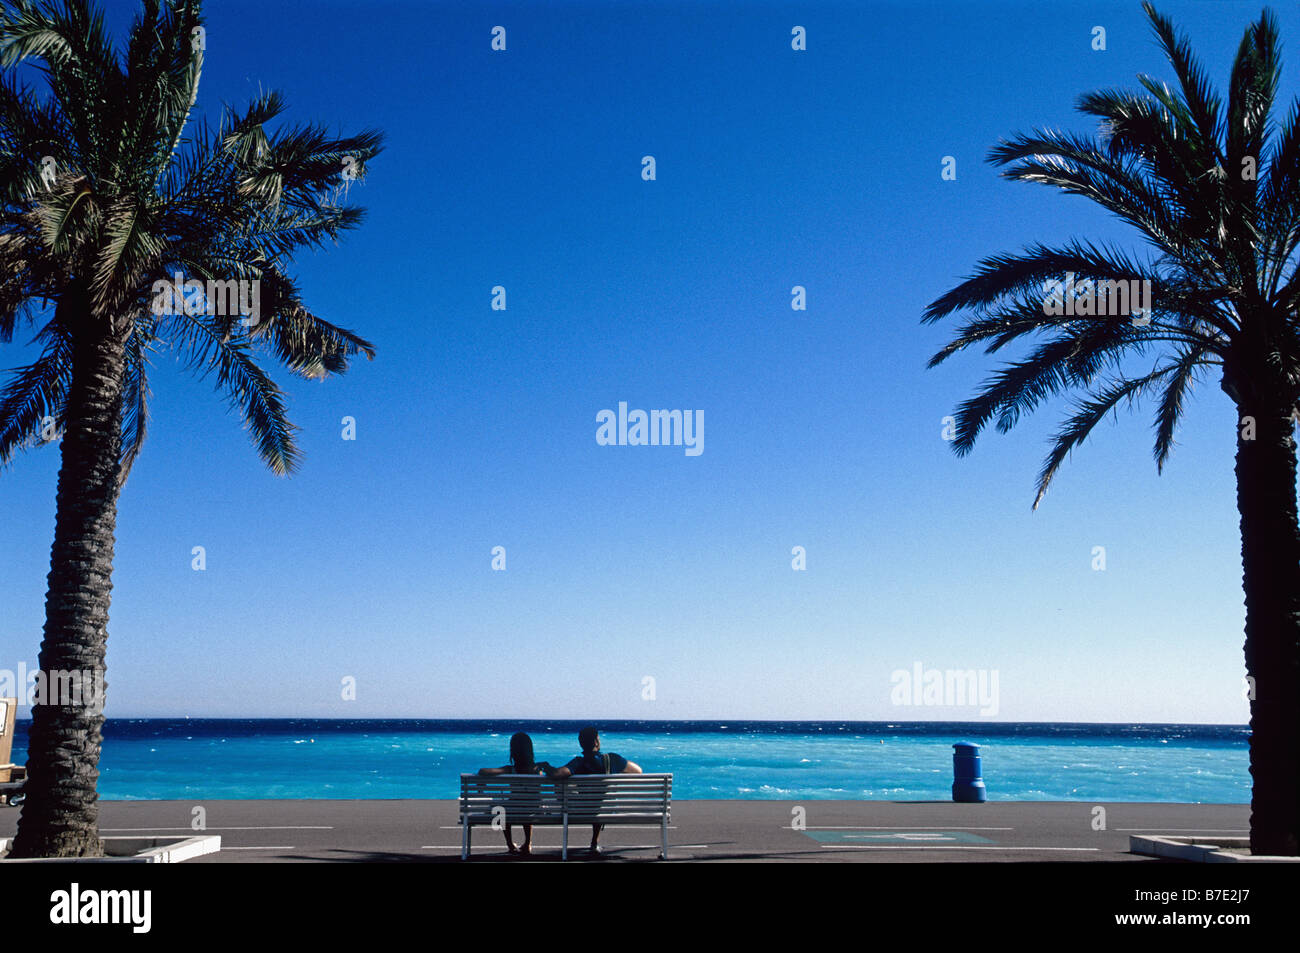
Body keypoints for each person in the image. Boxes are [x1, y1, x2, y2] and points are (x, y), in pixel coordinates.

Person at [547, 726, 641, 855]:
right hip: (607, 808)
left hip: (583, 809)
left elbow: (557, 774)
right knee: (599, 799)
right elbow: (638, 771)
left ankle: (594, 842)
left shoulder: (578, 763)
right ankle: (594, 842)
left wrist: (546, 767)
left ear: (580, 743)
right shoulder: (611, 759)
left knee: (589, 799)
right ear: (596, 741)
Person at [478, 732, 552, 855]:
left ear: (513, 751)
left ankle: (510, 845)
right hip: (535, 809)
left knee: (501, 809)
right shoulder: (538, 769)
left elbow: (483, 771)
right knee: (526, 806)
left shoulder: (510, 769)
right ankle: (527, 843)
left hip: (514, 808)